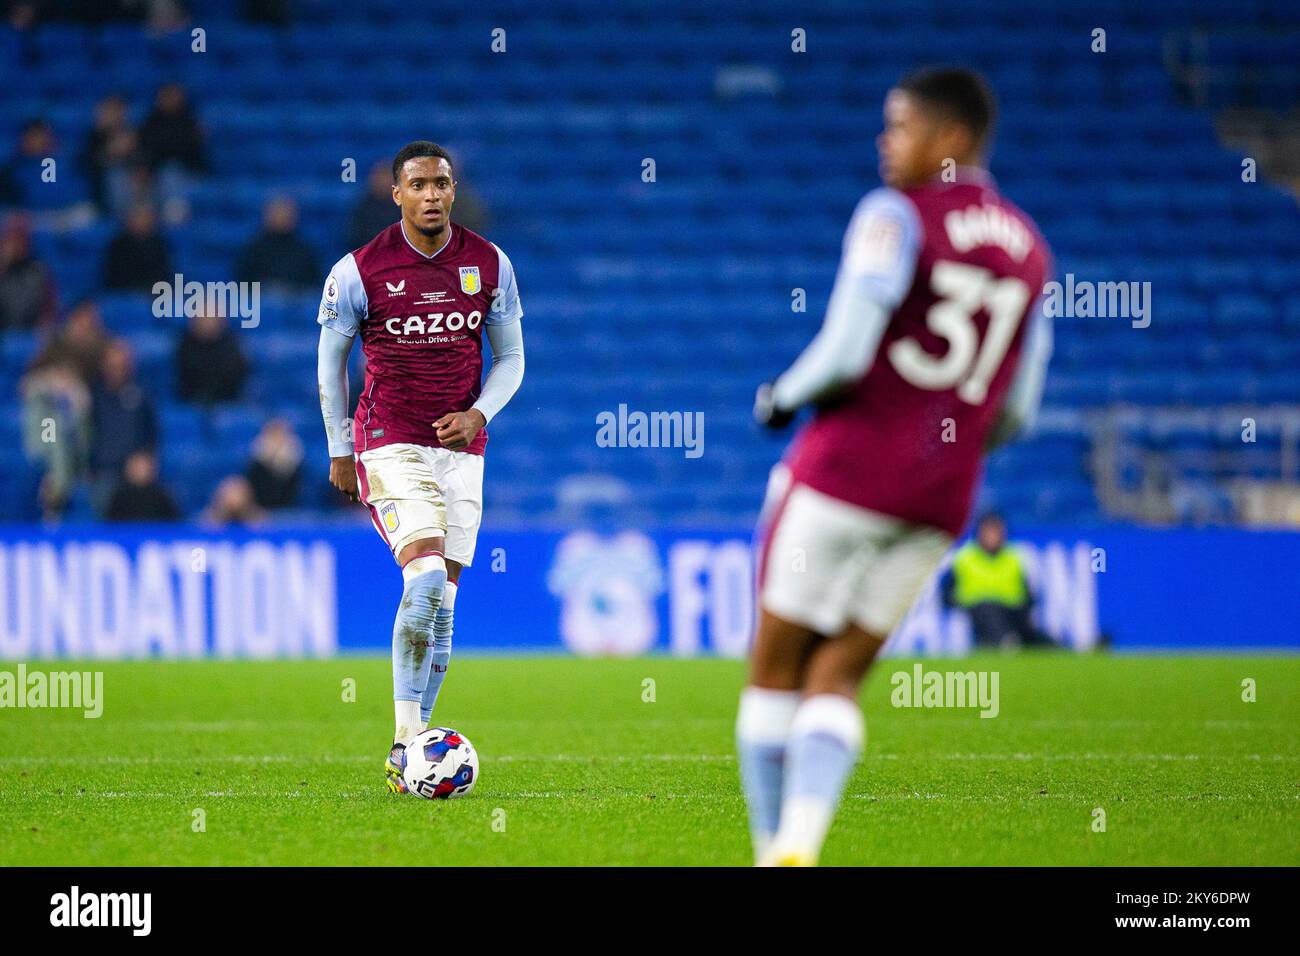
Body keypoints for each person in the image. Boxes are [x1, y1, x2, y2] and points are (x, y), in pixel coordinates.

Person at [740, 68, 1054, 866]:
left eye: (900, 126)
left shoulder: (896, 215)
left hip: (845, 472)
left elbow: (845, 351)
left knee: (775, 666)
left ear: (950, 140)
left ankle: (773, 849)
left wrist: (780, 397)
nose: (886, 142)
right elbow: (1018, 411)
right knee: (839, 673)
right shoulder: (1030, 248)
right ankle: (805, 842)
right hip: (939, 499)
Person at [316, 140, 525, 793]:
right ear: (397, 193)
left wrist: (480, 414)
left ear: (453, 190)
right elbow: (330, 362)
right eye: (419, 184)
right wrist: (339, 448)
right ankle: (408, 741)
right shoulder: (358, 271)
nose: (432, 194)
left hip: (462, 451)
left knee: (445, 607)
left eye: (442, 183)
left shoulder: (489, 265)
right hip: (389, 438)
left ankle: (412, 747)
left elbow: (513, 359)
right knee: (427, 578)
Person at [940, 512, 1054, 649]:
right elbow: (946, 594)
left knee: (1038, 640)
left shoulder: (1016, 556)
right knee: (988, 611)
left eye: (996, 531)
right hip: (978, 611)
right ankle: (1005, 642)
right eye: (988, 531)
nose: (992, 536)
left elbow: (1030, 594)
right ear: (979, 533)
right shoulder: (964, 557)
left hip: (1012, 611)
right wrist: (960, 605)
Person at [90, 339, 158, 513]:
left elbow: (151, 436)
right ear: (104, 367)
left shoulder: (141, 397)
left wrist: (145, 459)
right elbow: (80, 436)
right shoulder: (92, 398)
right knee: (105, 489)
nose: (117, 371)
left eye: (121, 366)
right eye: (113, 366)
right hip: (103, 471)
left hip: (135, 470)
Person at [236, 195, 319, 291]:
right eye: (277, 212)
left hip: (296, 301)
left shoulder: (304, 249)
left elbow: (312, 282)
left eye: (285, 212)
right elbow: (244, 280)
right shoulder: (254, 249)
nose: (281, 216)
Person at [175, 309, 249, 404]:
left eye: (211, 318)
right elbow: (183, 377)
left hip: (227, 399)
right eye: (203, 318)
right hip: (191, 399)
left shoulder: (231, 346)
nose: (207, 322)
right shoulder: (184, 346)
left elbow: (236, 377)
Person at [0, 212, 57, 329]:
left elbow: (49, 312)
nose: (16, 244)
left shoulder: (40, 272)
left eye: (21, 238)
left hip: (29, 336)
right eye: (12, 238)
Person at [102, 203, 172, 290]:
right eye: (138, 217)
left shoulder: (158, 243)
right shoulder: (118, 244)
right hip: (124, 293)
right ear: (129, 220)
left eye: (145, 218)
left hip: (152, 292)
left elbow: (162, 275)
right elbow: (115, 276)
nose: (142, 221)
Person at [244, 417, 304, 509]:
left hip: (295, 513)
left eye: (281, 437)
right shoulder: (255, 466)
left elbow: (296, 495)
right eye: (272, 437)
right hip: (261, 513)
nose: (276, 443)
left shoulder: (300, 464)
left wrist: (284, 465)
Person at [104, 449, 180, 522]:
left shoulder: (161, 495)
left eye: (144, 467)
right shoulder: (119, 496)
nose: (141, 470)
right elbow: (111, 525)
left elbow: (174, 524)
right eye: (137, 466)